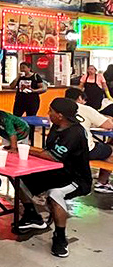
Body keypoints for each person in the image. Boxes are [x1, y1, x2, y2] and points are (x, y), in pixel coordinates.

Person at [17, 98, 92, 258]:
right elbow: (48, 152)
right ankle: (32, 216)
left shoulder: (75, 133)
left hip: (76, 178)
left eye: (50, 110)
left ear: (60, 115)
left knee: (55, 195)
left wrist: (26, 149)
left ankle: (60, 237)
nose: (48, 113)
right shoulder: (56, 126)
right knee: (20, 179)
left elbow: (53, 156)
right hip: (55, 172)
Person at [64, 87, 113, 193]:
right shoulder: (85, 109)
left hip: (62, 147)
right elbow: (108, 125)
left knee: (102, 146)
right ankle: (102, 183)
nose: (84, 102)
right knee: (110, 150)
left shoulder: (58, 107)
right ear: (79, 98)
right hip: (84, 150)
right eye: (83, 99)